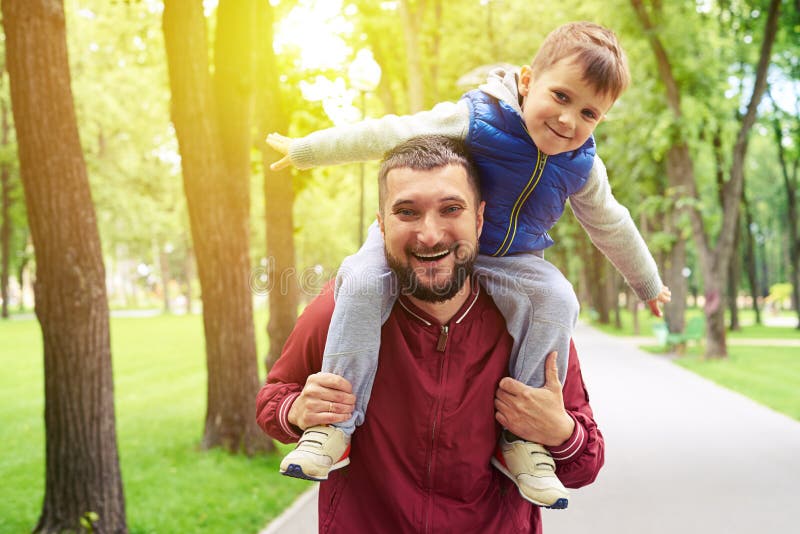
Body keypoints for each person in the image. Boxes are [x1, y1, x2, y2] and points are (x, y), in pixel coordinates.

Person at [268, 21, 669, 508]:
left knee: (557, 297)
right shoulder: (476, 118)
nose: (568, 120)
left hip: (512, 257)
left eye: (589, 113)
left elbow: (612, 223)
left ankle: (522, 442)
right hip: (434, 255)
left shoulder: (581, 164)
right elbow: (391, 132)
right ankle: (334, 430)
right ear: (526, 81)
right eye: (560, 96)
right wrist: (307, 151)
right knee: (360, 279)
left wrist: (647, 282)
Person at [256, 136, 604, 532]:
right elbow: (272, 400)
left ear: (479, 218)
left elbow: (584, 466)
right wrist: (297, 411)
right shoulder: (339, 308)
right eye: (407, 212)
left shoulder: (528, 321)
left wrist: (560, 432)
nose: (430, 234)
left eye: (451, 209)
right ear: (381, 223)